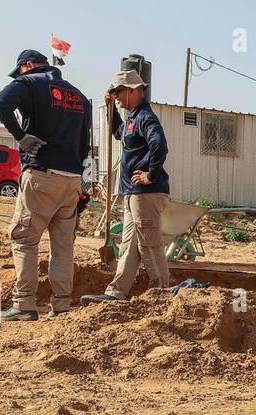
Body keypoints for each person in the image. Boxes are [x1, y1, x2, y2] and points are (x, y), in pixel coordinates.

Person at [0, 49, 92, 320]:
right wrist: (82, 180)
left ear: (27, 66)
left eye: (20, 70)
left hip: (41, 174)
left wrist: (21, 136)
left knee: (24, 240)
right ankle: (61, 306)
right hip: (71, 180)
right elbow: (85, 145)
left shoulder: (29, 83)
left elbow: (1, 102)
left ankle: (24, 304)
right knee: (63, 246)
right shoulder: (79, 96)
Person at [82, 69, 170, 303]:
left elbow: (159, 145)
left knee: (148, 245)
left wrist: (151, 174)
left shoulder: (145, 117)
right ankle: (116, 292)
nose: (117, 97)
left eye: (118, 92)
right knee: (128, 247)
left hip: (146, 193)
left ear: (133, 91)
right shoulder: (133, 118)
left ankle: (161, 296)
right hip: (134, 194)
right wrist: (111, 109)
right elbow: (119, 133)